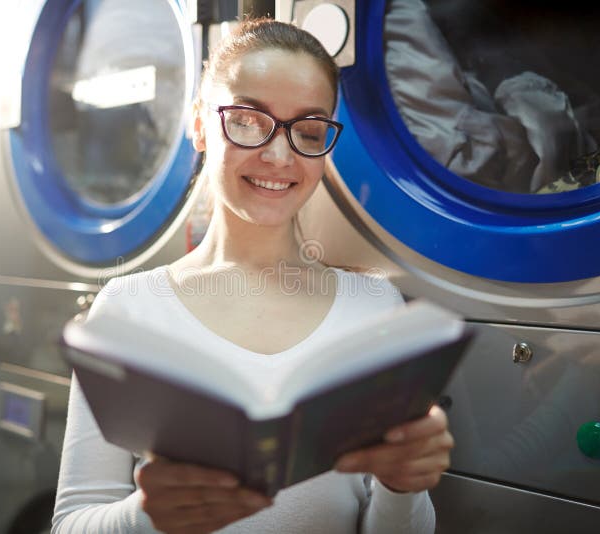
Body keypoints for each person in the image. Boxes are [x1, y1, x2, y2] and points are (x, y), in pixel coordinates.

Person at [52, 18, 453, 534]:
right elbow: (70, 523)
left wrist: (402, 486)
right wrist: (147, 516)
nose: (279, 155)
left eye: (307, 130)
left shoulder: (375, 308)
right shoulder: (129, 308)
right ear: (199, 124)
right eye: (246, 120)